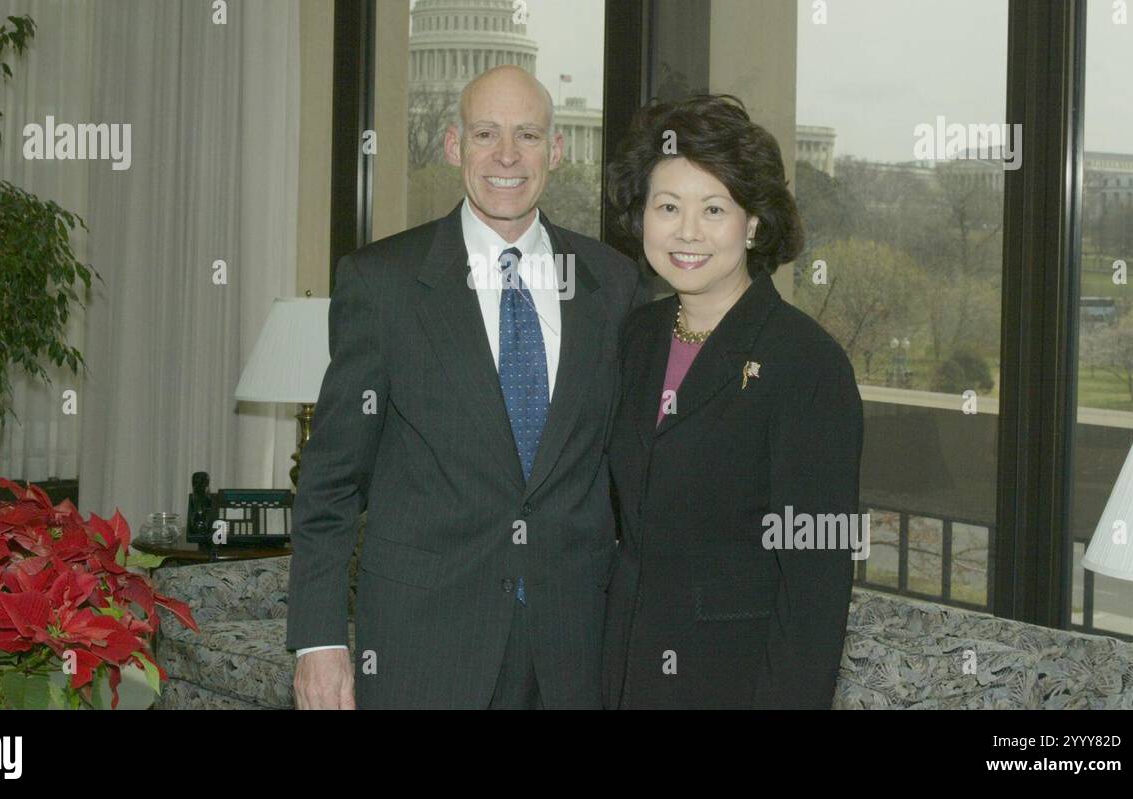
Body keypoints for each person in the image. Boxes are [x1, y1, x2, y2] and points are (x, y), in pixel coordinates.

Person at [288, 65, 647, 708]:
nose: (507, 155)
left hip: (573, 649)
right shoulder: (383, 283)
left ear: (556, 151)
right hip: (424, 643)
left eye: (528, 136)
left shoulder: (612, 283)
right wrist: (319, 641)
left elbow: (629, 465)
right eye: (486, 133)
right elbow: (331, 478)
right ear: (455, 147)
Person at [601, 93, 864, 708]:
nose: (686, 231)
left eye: (713, 208)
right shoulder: (637, 337)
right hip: (621, 670)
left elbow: (816, 588)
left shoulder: (808, 365)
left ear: (752, 224)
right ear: (642, 219)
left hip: (731, 682)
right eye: (668, 207)